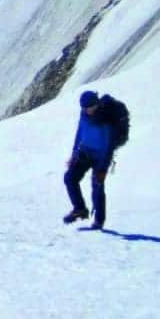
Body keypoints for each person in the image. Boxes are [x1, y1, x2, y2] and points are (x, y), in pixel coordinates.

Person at [64, 90, 112, 229]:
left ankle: (99, 221)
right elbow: (79, 133)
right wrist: (74, 154)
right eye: (84, 107)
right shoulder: (84, 115)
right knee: (69, 178)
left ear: (96, 104)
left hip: (101, 158)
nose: (87, 110)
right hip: (85, 153)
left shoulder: (105, 118)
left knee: (97, 187)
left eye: (89, 106)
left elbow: (109, 144)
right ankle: (80, 209)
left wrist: (104, 165)